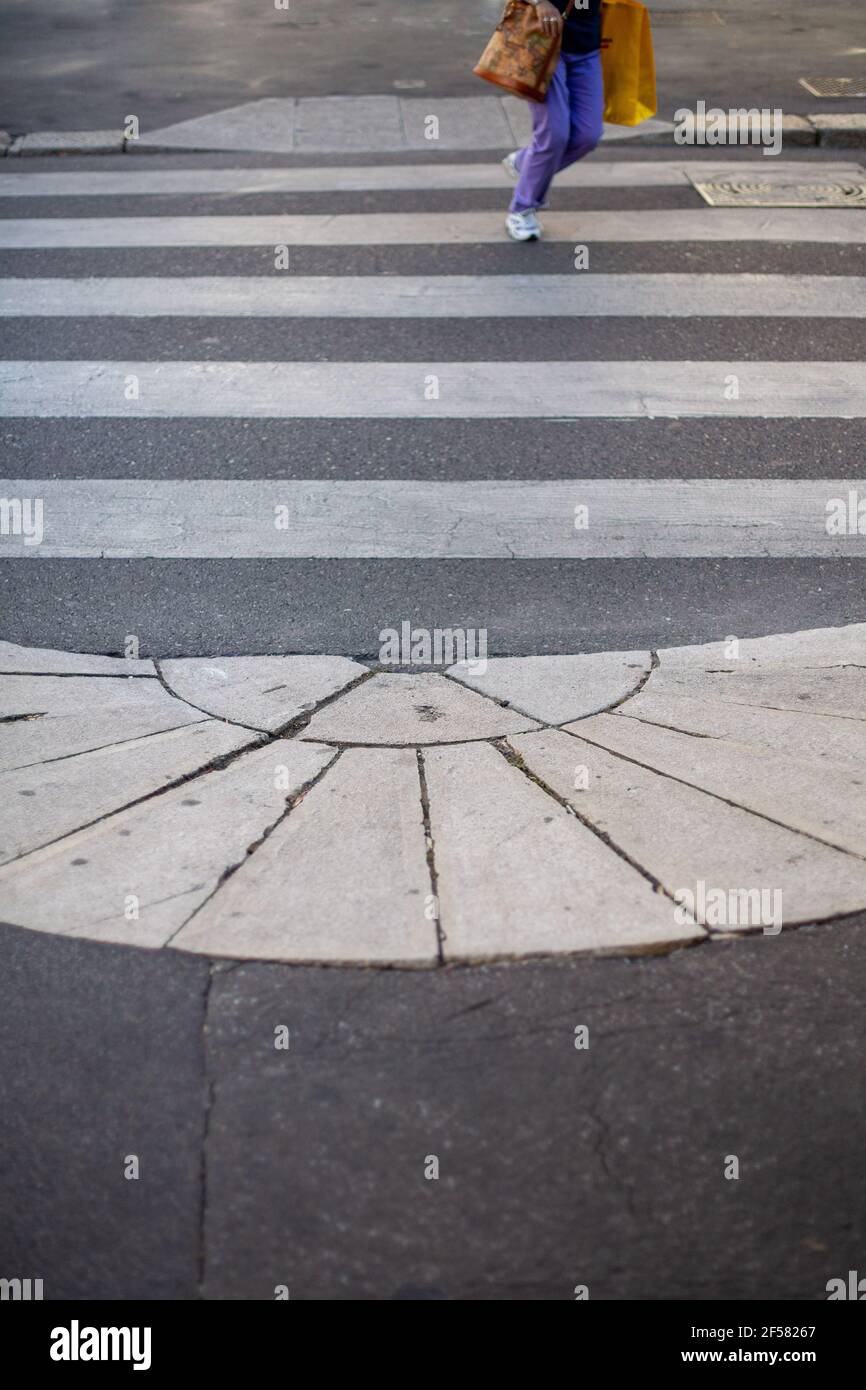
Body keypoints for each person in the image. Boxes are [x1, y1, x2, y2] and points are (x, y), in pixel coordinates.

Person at [503, 0, 604, 241]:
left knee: (588, 135)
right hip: (541, 41)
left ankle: (525, 161)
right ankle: (522, 208)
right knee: (554, 134)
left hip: (586, 44)